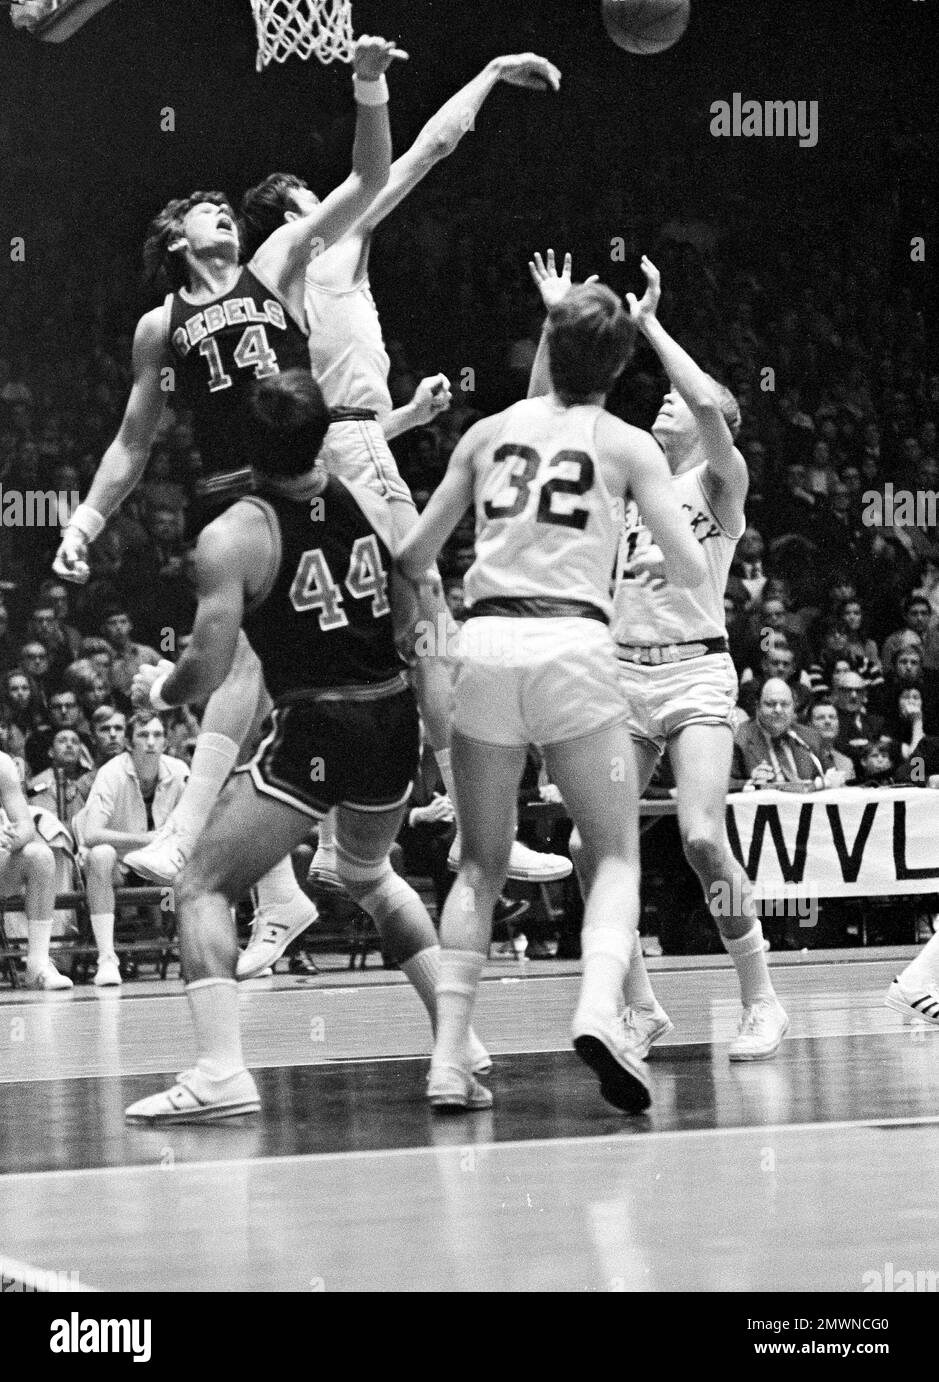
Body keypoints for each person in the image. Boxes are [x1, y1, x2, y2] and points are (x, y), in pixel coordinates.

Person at [51, 35, 405, 949]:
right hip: (230, 502)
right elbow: (134, 442)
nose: (225, 213)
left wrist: (366, 85)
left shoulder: (278, 264)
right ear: (178, 239)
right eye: (209, 208)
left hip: (302, 485)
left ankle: (218, 840)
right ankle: (288, 878)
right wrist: (86, 519)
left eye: (225, 206)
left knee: (294, 660)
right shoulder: (159, 324)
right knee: (257, 680)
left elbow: (369, 182)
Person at [236, 51, 569, 930]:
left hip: (330, 448)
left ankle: (293, 865)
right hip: (348, 443)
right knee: (431, 617)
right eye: (315, 193)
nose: (334, 195)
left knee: (335, 646)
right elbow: (426, 148)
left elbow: (332, 422)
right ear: (297, 215)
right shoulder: (326, 241)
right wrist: (490, 72)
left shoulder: (271, 284)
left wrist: (405, 421)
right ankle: (466, 822)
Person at [124, 370, 489, 1121]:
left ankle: (221, 1072)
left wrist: (158, 688)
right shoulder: (381, 510)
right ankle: (460, 1043)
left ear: (242, 450)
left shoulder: (232, 536)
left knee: (201, 884)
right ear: (322, 435)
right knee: (370, 873)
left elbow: (208, 670)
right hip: (391, 721)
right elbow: (416, 625)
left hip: (317, 726)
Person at [398, 280, 707, 1114]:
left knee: (479, 867)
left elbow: (413, 551)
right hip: (573, 644)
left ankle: (446, 1063)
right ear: (618, 366)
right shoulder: (629, 445)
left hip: (486, 643)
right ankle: (599, 1010)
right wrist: (625, 557)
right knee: (612, 856)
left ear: (547, 343)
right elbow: (689, 568)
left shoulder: (488, 433)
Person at [529, 253, 789, 1063]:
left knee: (702, 837)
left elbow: (708, 398)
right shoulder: (631, 480)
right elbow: (543, 418)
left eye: (675, 399)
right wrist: (557, 319)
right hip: (622, 677)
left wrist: (645, 324)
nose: (669, 403)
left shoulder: (718, 483)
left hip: (694, 675)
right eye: (667, 397)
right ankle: (640, 1008)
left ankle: (760, 998)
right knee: (583, 847)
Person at [73, 712, 188, 987]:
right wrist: (146, 840)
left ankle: (196, 953)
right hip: (119, 865)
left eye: (157, 735)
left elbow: (192, 826)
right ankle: (107, 958)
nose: (151, 742)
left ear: (166, 742)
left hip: (161, 865)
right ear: (129, 743)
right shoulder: (111, 773)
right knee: (101, 854)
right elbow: (91, 834)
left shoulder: (180, 772)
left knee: (201, 858)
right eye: (143, 735)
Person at [0, 749, 63, 989]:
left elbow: (25, 826)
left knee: (40, 856)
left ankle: (38, 965)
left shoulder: (3, 764)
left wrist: (8, 839)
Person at [731, 679, 830, 790]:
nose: (778, 710)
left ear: (793, 707)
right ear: (758, 707)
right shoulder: (739, 738)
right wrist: (751, 783)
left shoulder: (811, 738)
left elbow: (831, 777)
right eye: (770, 704)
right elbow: (723, 783)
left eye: (784, 704)